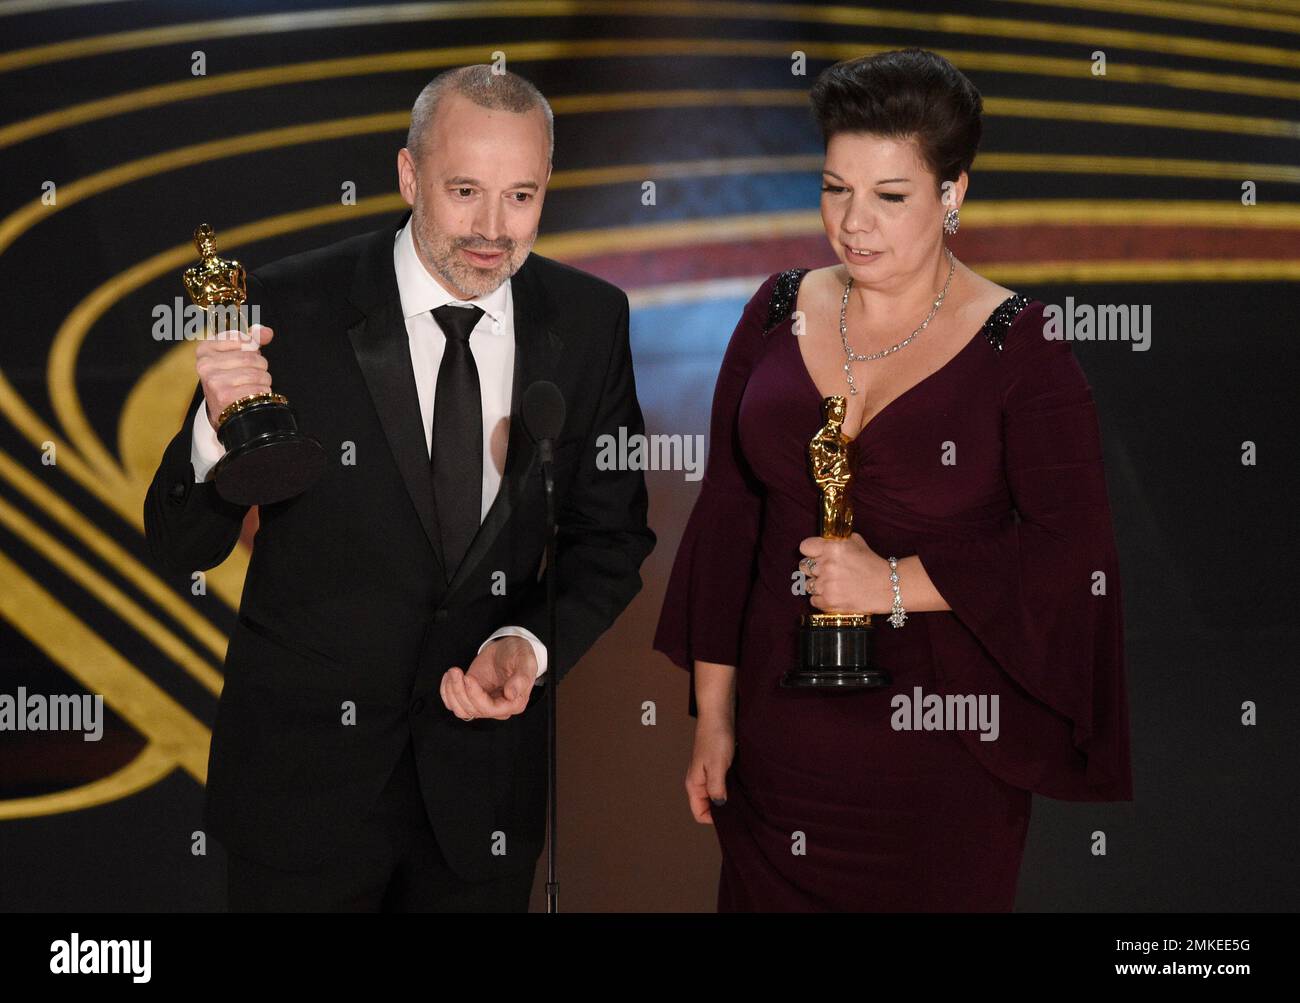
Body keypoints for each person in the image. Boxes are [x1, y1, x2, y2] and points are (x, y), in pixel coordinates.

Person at [145, 65, 655, 911]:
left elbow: (612, 538)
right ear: (409, 175)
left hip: (482, 805)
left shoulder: (590, 319)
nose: (494, 229)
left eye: (521, 196)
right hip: (301, 797)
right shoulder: (291, 305)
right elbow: (181, 543)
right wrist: (212, 432)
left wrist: (525, 648)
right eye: (465, 190)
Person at [652, 48, 1132, 912]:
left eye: (891, 195)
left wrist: (895, 584)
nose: (853, 223)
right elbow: (728, 519)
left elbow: (1074, 553)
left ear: (954, 194)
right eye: (836, 188)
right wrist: (713, 715)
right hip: (775, 748)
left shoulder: (1022, 346)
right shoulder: (773, 307)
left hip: (938, 766)